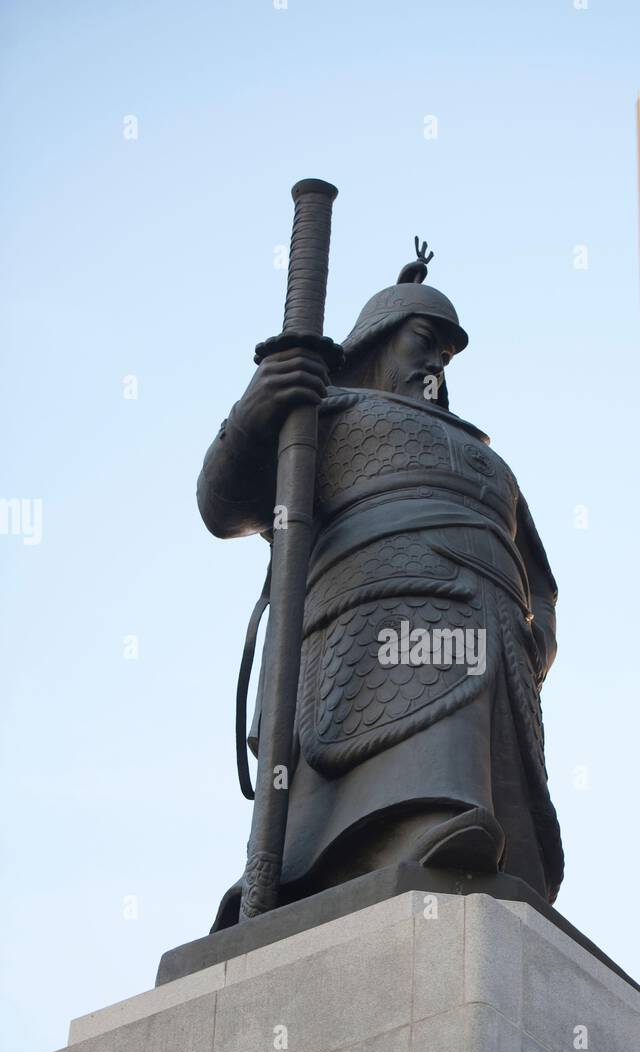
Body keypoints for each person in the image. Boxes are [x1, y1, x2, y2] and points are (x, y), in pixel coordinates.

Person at [198, 245, 564, 927]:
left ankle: (467, 837)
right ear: (376, 342)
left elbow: (539, 576)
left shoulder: (486, 455)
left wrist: (536, 632)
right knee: (414, 707)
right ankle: (417, 827)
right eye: (424, 343)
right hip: (374, 602)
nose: (435, 364)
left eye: (447, 357)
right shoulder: (324, 415)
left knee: (490, 763)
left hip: (495, 626)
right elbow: (225, 506)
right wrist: (255, 413)